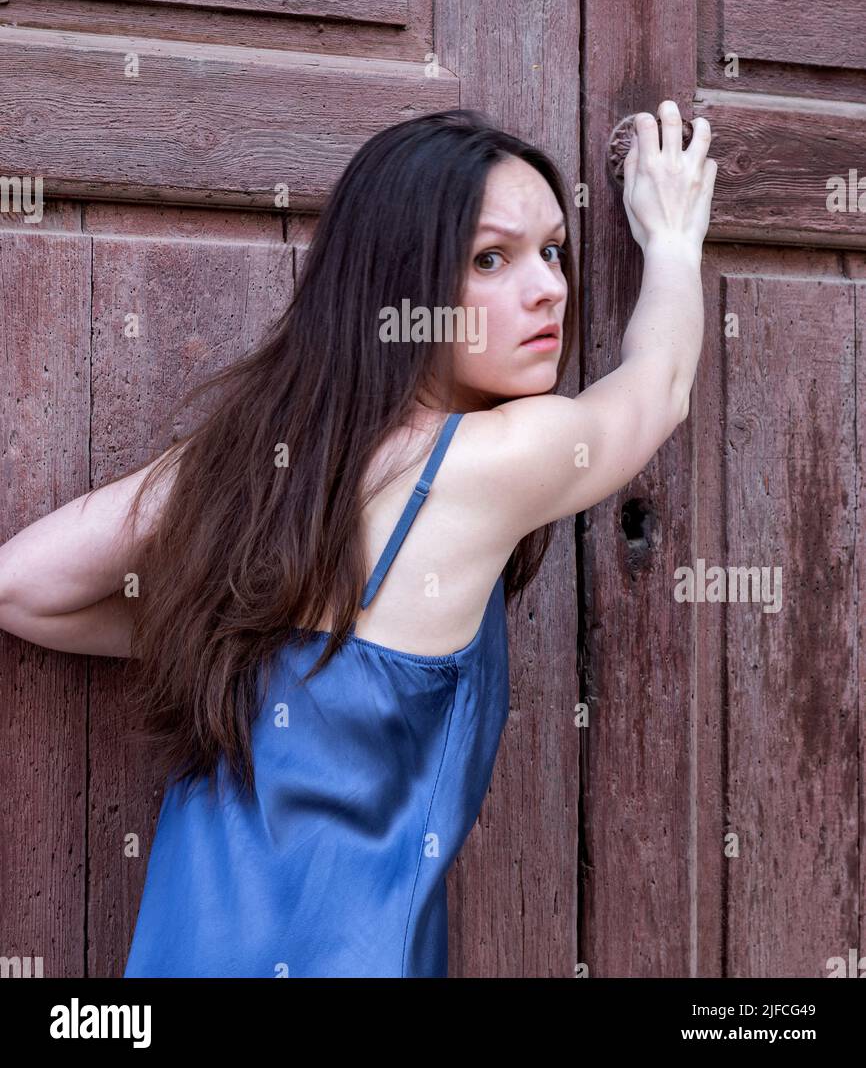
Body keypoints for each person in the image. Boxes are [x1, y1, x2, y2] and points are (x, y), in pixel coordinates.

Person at [0, 100, 715, 977]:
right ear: (399, 285)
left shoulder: (250, 457)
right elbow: (660, 383)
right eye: (491, 258)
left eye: (552, 251)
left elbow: (23, 585)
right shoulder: (490, 461)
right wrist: (674, 242)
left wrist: (217, 631)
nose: (550, 289)